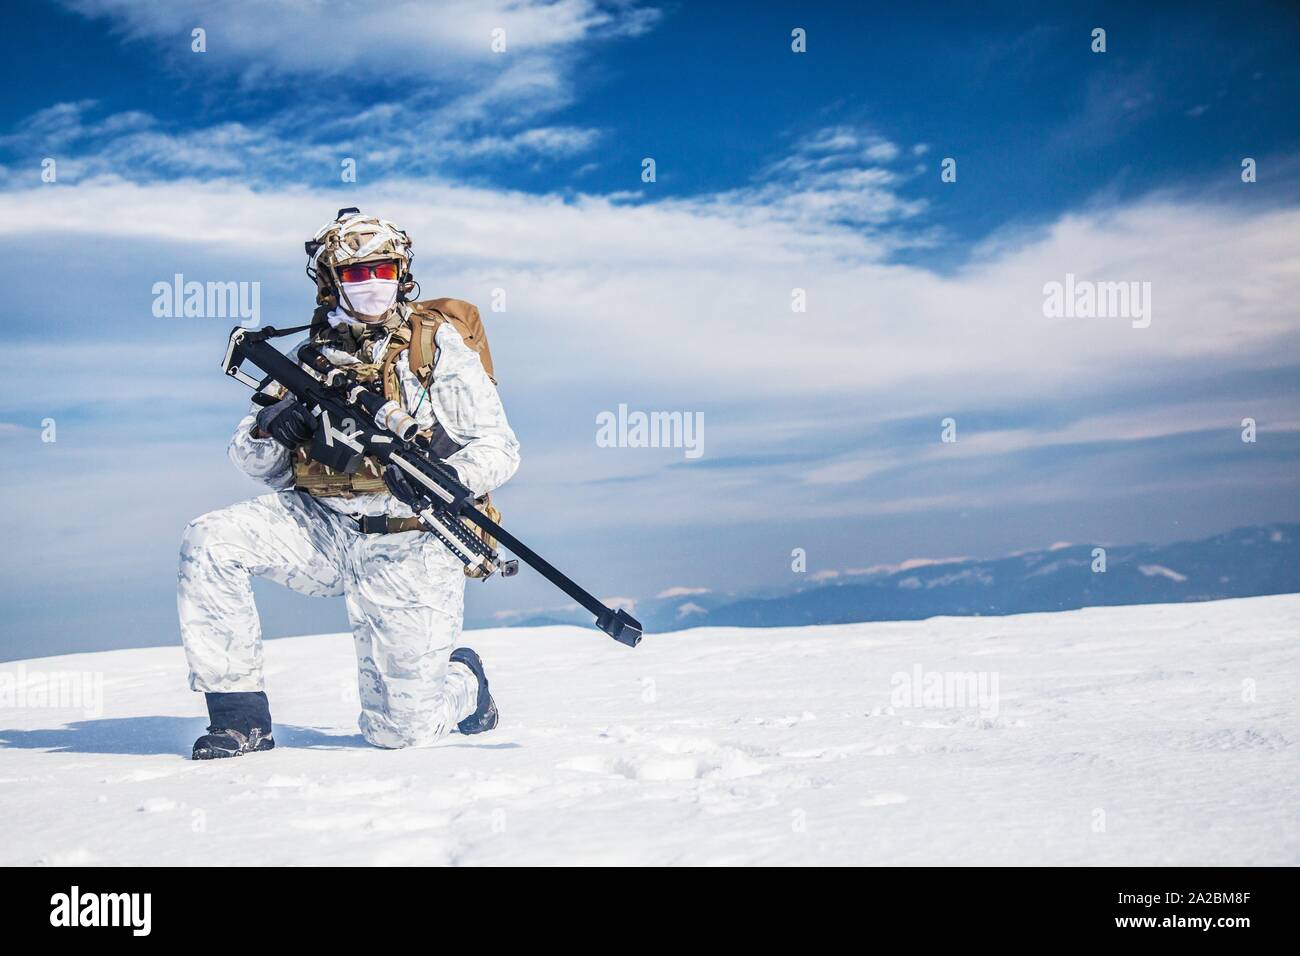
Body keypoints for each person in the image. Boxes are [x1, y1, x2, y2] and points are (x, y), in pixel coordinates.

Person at [178, 209, 520, 758]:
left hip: (412, 538)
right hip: (326, 528)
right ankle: (240, 719)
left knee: (398, 734)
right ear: (332, 280)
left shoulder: (434, 350)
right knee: (211, 541)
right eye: (358, 274)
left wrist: (445, 478)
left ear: (402, 272)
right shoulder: (307, 358)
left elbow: (500, 448)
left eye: (384, 271)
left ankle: (465, 685)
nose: (372, 285)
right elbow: (256, 462)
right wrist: (273, 427)